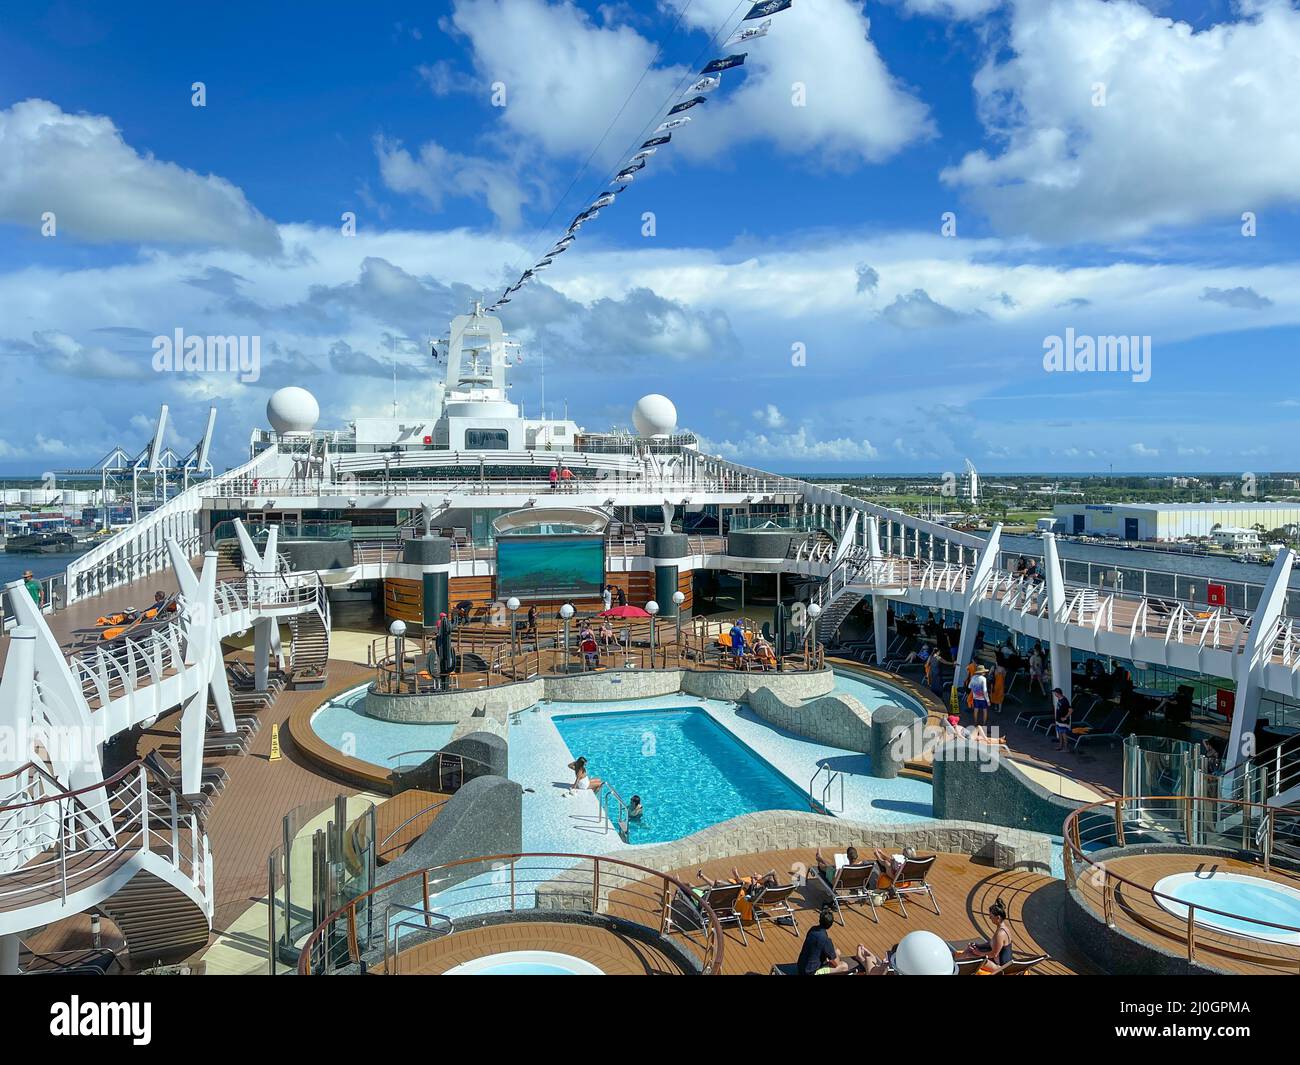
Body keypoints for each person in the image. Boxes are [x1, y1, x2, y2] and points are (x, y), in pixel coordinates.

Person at [958, 897, 1014, 973]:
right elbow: (992, 943)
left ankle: (954, 966)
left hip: (1001, 967)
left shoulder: (1000, 934)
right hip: (999, 962)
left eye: (991, 916)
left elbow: (994, 954)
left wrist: (978, 953)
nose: (989, 918)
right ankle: (955, 963)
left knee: (969, 956)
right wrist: (978, 945)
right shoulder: (1003, 929)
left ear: (998, 918)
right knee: (969, 951)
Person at [796, 908, 852, 975]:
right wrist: (837, 958)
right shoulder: (825, 940)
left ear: (820, 920)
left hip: (801, 966)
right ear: (830, 925)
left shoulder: (812, 930)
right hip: (811, 972)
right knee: (844, 966)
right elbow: (836, 963)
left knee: (836, 952)